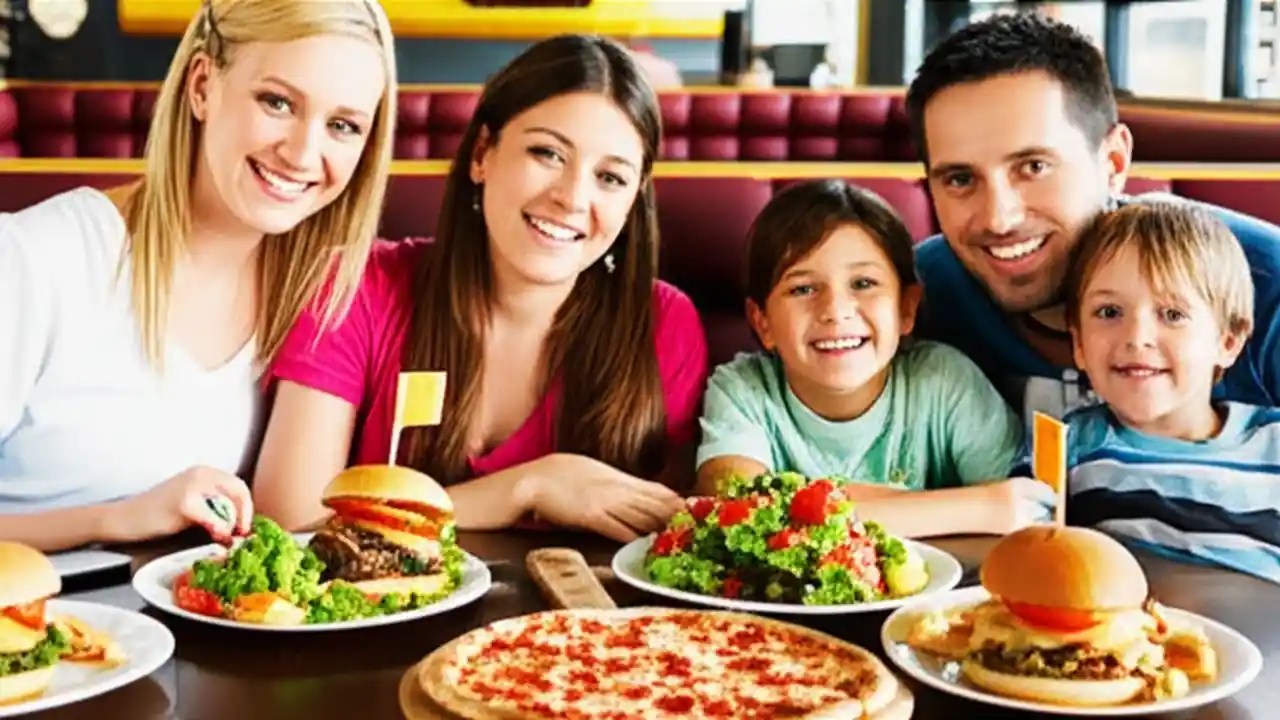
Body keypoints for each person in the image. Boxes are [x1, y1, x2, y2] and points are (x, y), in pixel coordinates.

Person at [254, 34, 709, 543]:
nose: (572, 198)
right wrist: (528, 486)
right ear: (482, 155)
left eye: (610, 178)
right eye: (548, 153)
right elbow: (289, 523)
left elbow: (671, 539)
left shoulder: (665, 323)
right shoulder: (356, 287)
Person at [0, 0, 397, 552]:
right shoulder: (38, 259)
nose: (304, 154)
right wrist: (112, 519)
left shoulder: (311, 293)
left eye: (342, 126)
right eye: (277, 102)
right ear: (203, 86)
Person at [906, 12, 1280, 422]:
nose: (999, 218)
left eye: (1033, 167)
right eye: (960, 179)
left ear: (1114, 162)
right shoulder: (919, 293)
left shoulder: (1264, 288)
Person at [695, 179, 1052, 538]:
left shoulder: (944, 379)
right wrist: (970, 508)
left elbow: (1024, 521)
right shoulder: (743, 389)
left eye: (863, 283)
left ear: (905, 308)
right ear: (763, 322)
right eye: (802, 289)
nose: (835, 311)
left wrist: (806, 514)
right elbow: (737, 512)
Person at [1034, 201, 1280, 583]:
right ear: (1078, 342)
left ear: (1227, 341)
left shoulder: (1273, 442)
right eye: (1110, 312)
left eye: (1172, 315)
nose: (1137, 338)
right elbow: (1030, 556)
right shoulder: (1067, 449)